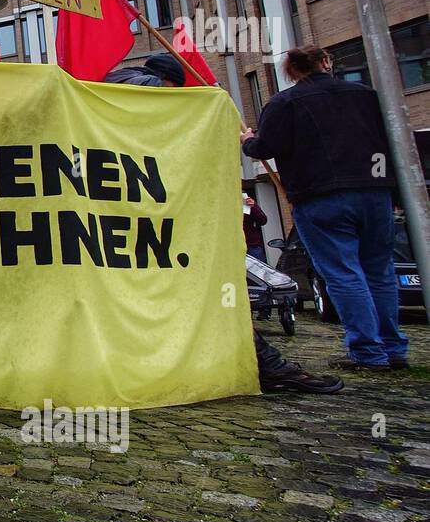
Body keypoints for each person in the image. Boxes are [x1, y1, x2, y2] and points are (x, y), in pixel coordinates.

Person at [106, 55, 342, 394]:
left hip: (145, 214)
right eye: (176, 89)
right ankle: (268, 366)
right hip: (146, 216)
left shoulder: (118, 85)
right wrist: (206, 101)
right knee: (210, 291)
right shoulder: (139, 83)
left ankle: (264, 364)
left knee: (207, 293)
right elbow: (146, 96)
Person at [241, 45, 408, 372]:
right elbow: (394, 138)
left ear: (290, 72)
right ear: (326, 62)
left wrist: (248, 141)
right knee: (380, 271)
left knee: (344, 273)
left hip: (320, 197)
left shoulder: (283, 103)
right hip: (374, 191)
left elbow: (266, 147)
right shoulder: (367, 96)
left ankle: (368, 351)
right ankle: (394, 348)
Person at [104, 52, 185, 87]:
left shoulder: (124, 74)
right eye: (175, 85)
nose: (175, 90)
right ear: (164, 76)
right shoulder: (152, 81)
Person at [243, 193, 268, 263]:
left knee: (260, 271)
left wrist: (253, 207)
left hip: (252, 245)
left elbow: (263, 220)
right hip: (233, 246)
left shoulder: (245, 200)